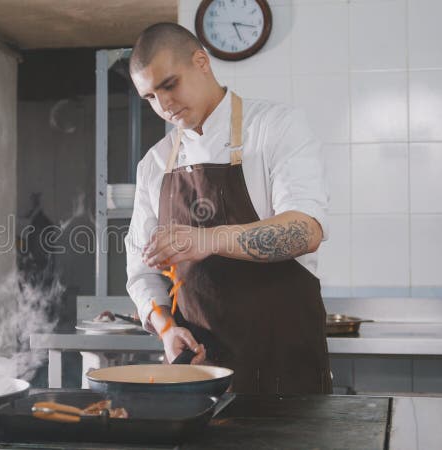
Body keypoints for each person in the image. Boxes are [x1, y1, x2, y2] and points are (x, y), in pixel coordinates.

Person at [124, 22, 332, 394]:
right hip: (200, 374)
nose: (164, 105)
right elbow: (142, 270)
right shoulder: (154, 165)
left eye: (169, 85)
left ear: (202, 62)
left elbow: (305, 230)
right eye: (150, 97)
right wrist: (166, 328)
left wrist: (210, 239)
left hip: (285, 370)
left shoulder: (276, 128)